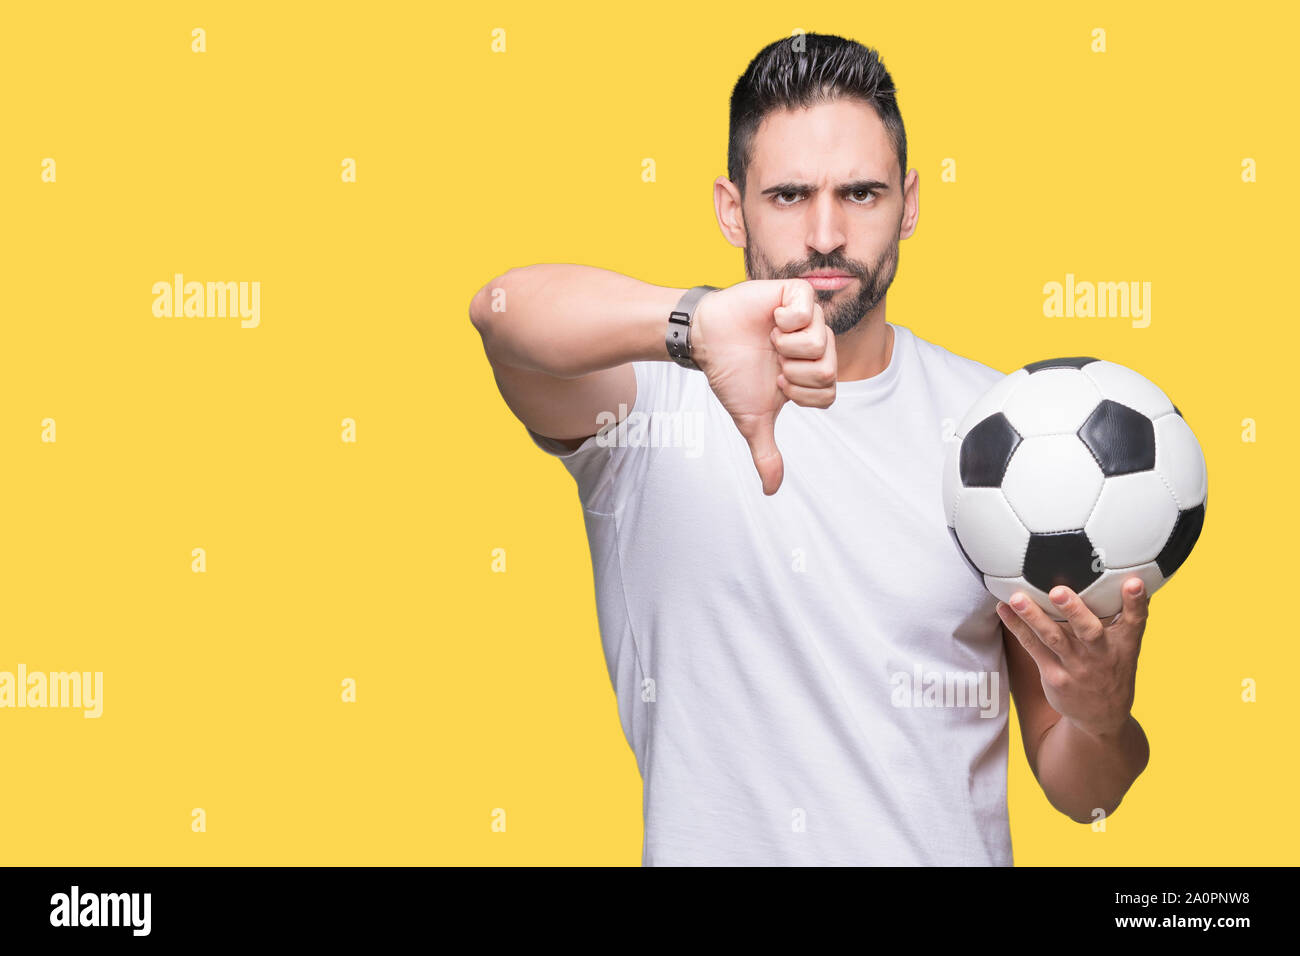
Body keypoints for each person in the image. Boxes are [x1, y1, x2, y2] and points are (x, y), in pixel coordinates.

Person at [469, 33, 1151, 866]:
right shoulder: (648, 403)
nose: (826, 233)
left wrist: (1102, 716)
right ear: (731, 208)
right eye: (788, 195)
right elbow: (502, 315)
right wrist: (691, 325)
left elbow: (1084, 790)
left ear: (908, 202)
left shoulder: (999, 433)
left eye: (859, 193)